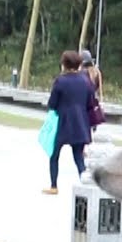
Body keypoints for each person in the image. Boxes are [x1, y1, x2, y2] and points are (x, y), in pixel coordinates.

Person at [42, 50, 96, 195]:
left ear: (64, 64)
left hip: (63, 123)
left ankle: (54, 186)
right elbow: (91, 102)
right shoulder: (86, 81)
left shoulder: (60, 81)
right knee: (78, 157)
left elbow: (52, 103)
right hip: (80, 123)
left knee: (54, 155)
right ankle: (86, 185)